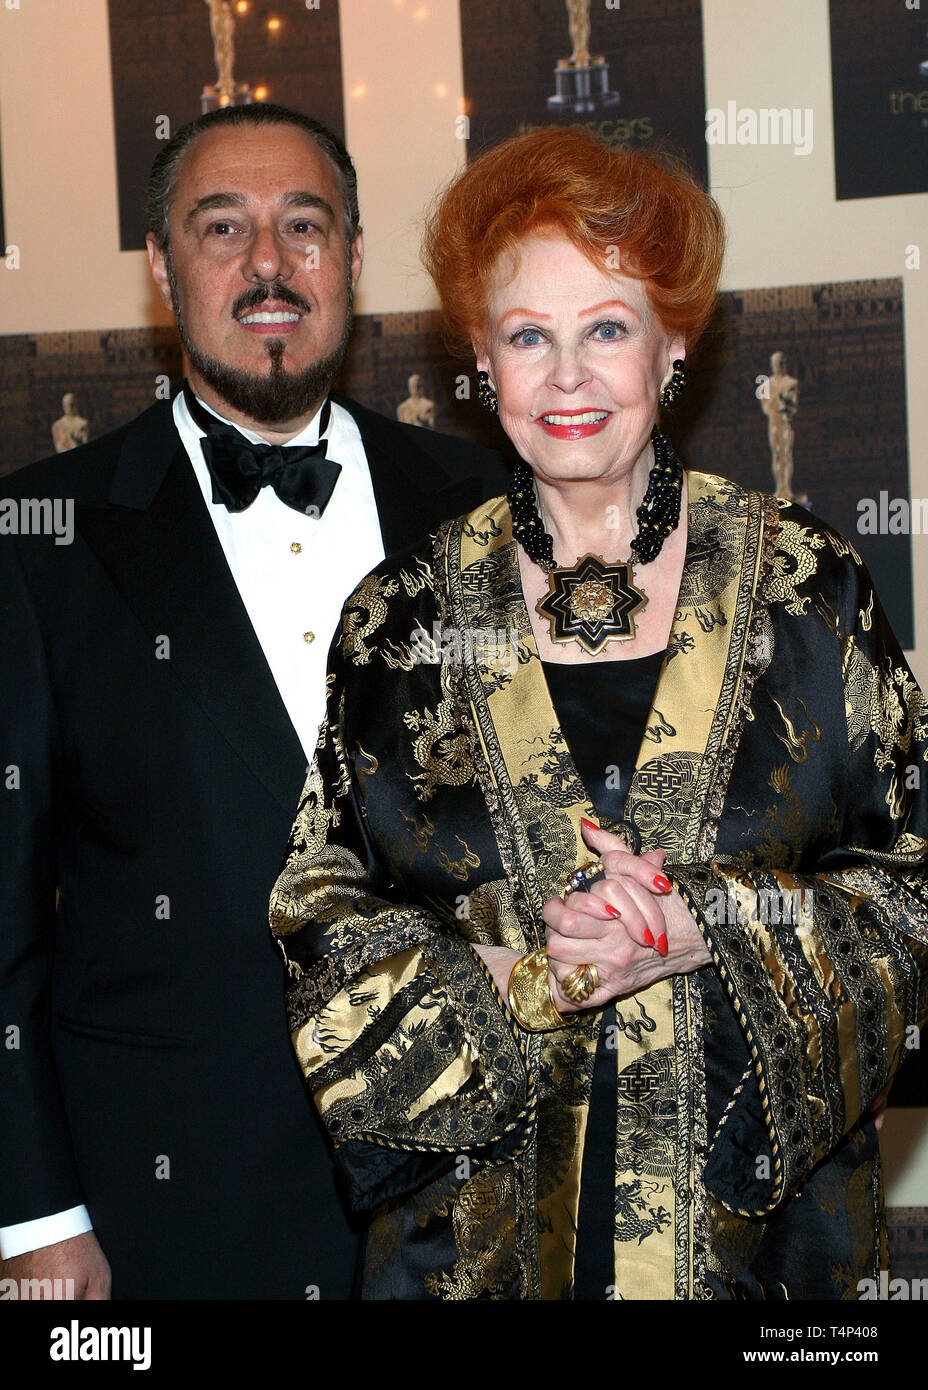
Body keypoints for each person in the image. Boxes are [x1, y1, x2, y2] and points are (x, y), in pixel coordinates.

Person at [270, 126, 928, 1300]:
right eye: (528, 336)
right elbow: (318, 919)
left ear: (673, 344)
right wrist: (527, 974)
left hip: (768, 1272)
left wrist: (705, 931)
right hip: (464, 1263)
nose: (566, 377)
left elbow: (914, 895)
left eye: (606, 329)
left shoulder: (812, 590)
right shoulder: (398, 621)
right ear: (482, 353)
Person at [0, 102, 509, 1300]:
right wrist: (32, 1218)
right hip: (163, 1217)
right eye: (221, 226)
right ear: (161, 267)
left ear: (350, 259)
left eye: (304, 225)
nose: (268, 263)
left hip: (466, 1193)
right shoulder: (40, 540)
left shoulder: (483, 502)